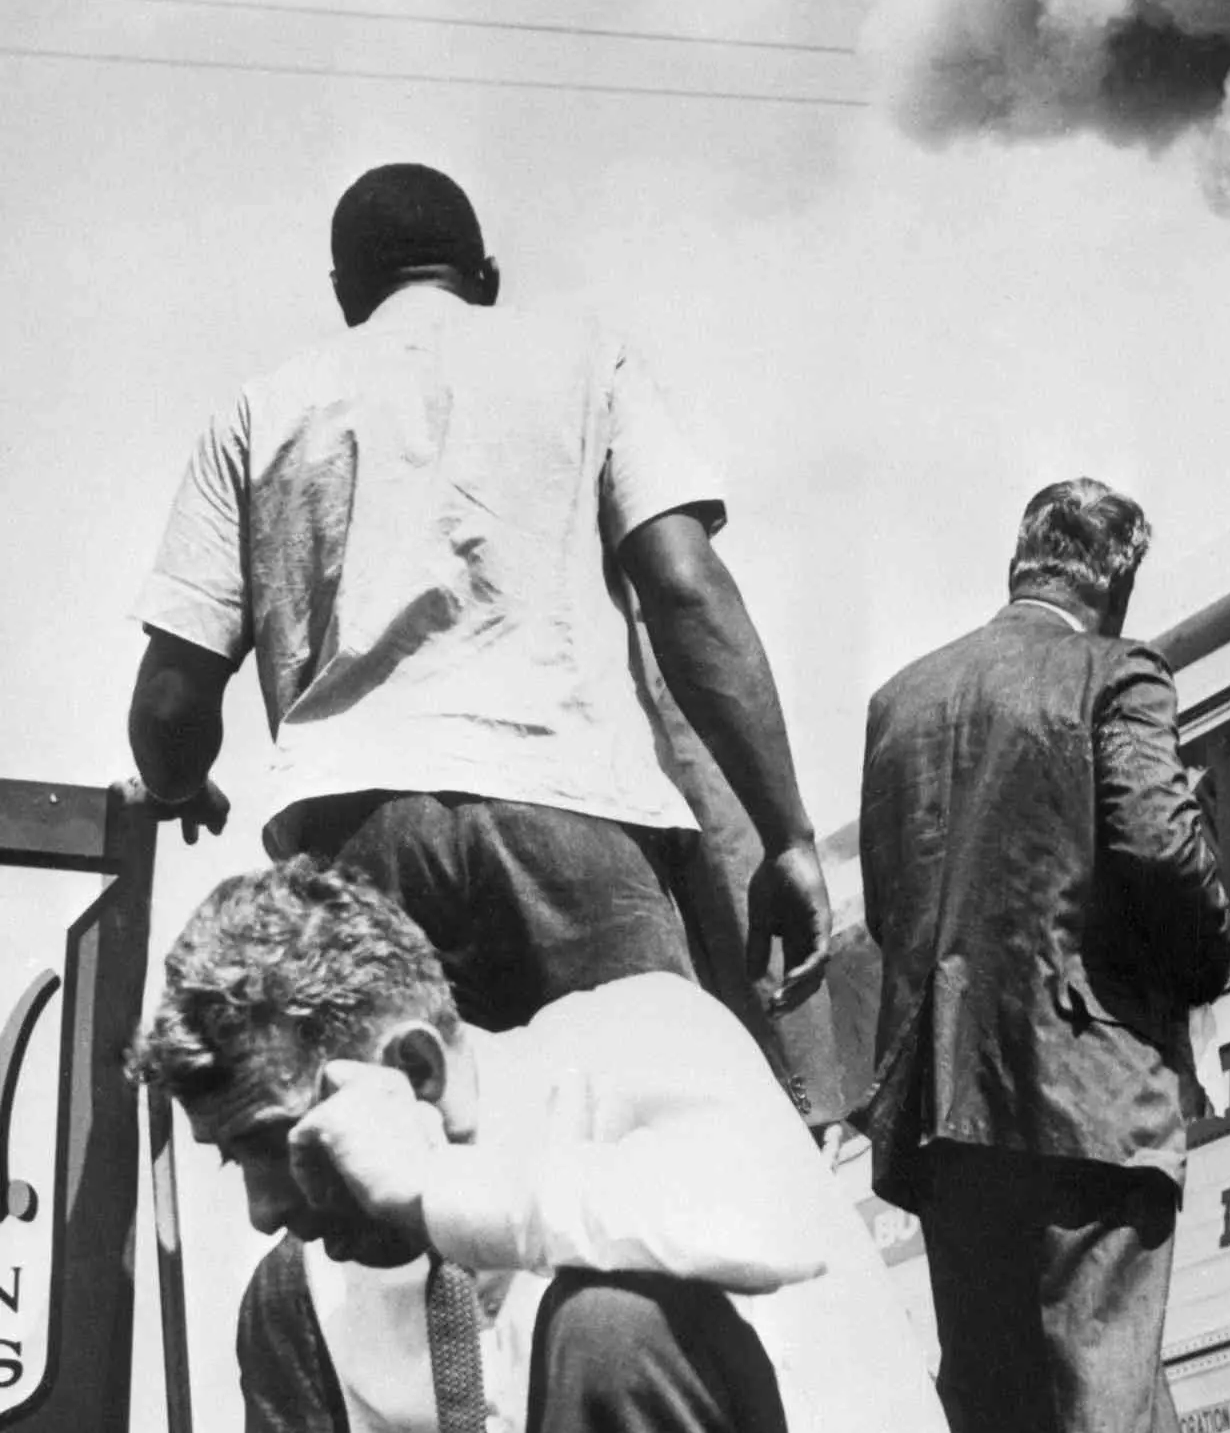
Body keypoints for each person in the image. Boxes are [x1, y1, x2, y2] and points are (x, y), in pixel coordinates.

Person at [129, 859, 1005, 1433]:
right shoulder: (337, 1269)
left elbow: (775, 1225)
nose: (262, 1209)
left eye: (278, 1144)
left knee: (612, 1329)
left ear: (418, 1072)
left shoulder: (637, 1037)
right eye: (232, 1160)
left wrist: (439, 1193)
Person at [125, 160, 831, 1028]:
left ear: (346, 294)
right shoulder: (588, 365)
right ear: (486, 278)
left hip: (355, 846)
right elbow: (687, 589)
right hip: (573, 819)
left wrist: (177, 786)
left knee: (386, 1147)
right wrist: (787, 834)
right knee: (625, 1133)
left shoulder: (261, 411)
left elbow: (168, 702)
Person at [859, 479, 1230, 1433]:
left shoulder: (900, 702)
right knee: (1099, 1421)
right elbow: (1158, 850)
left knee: (1002, 1422)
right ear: (1115, 580)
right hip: (1084, 1106)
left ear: (1024, 561)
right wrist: (1211, 956)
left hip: (944, 1112)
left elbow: (895, 908)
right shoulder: (1117, 674)